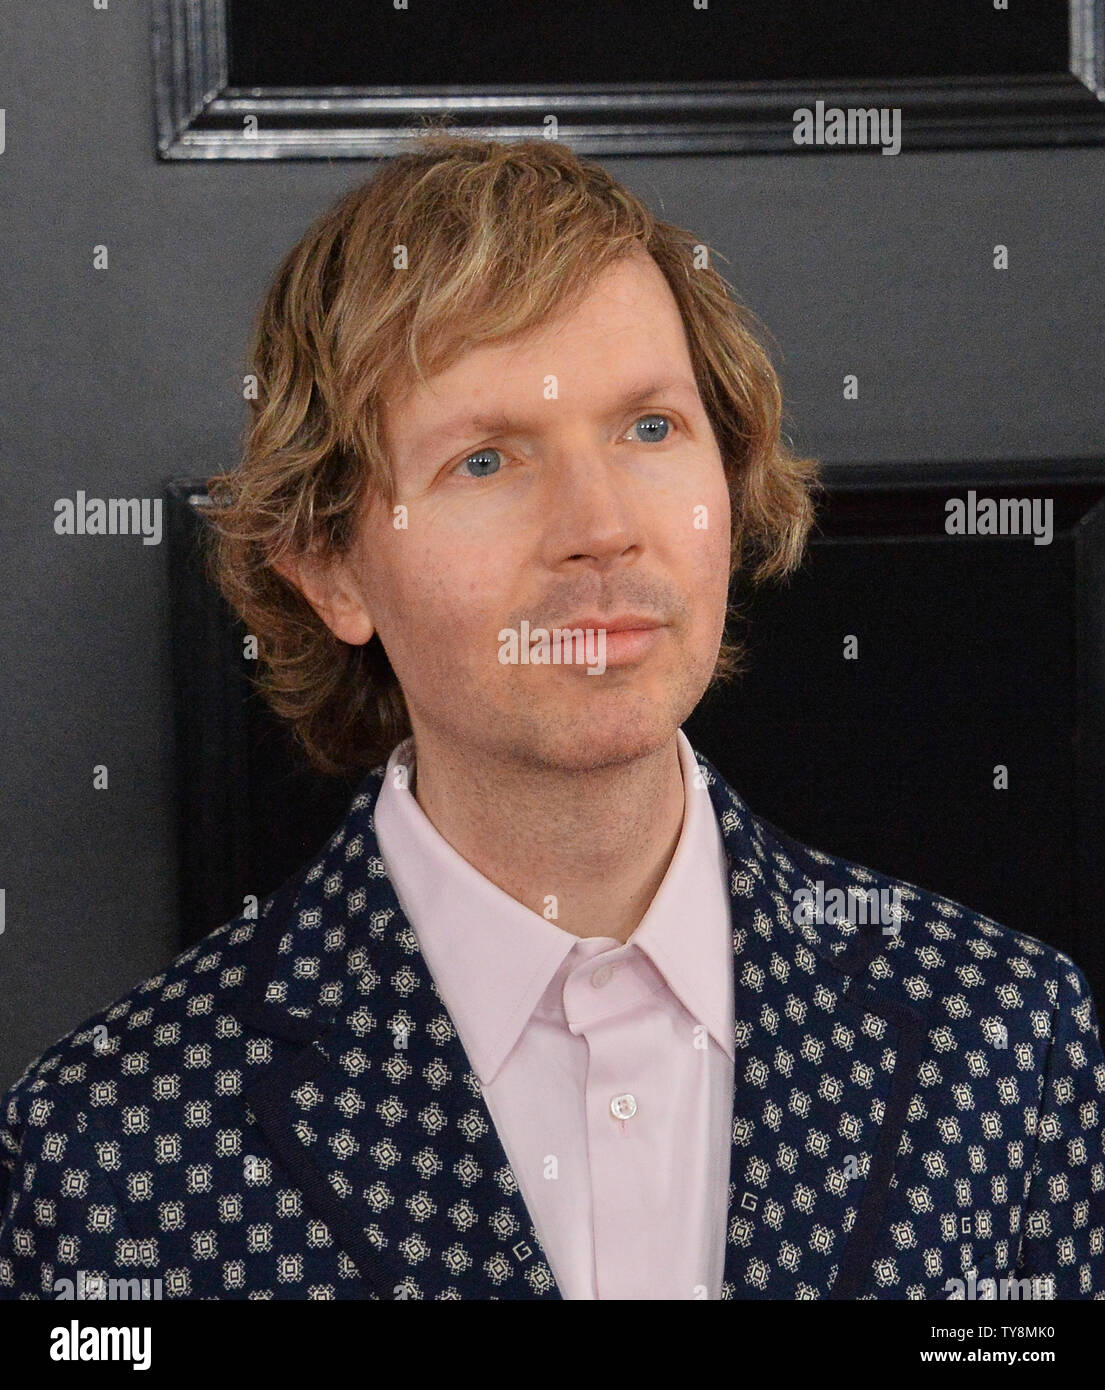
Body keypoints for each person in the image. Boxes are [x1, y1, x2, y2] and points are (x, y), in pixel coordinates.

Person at [2, 135, 1101, 1301]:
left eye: (647, 429)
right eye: (485, 460)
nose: (600, 524)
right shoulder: (102, 1156)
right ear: (330, 567)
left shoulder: (1004, 1043)